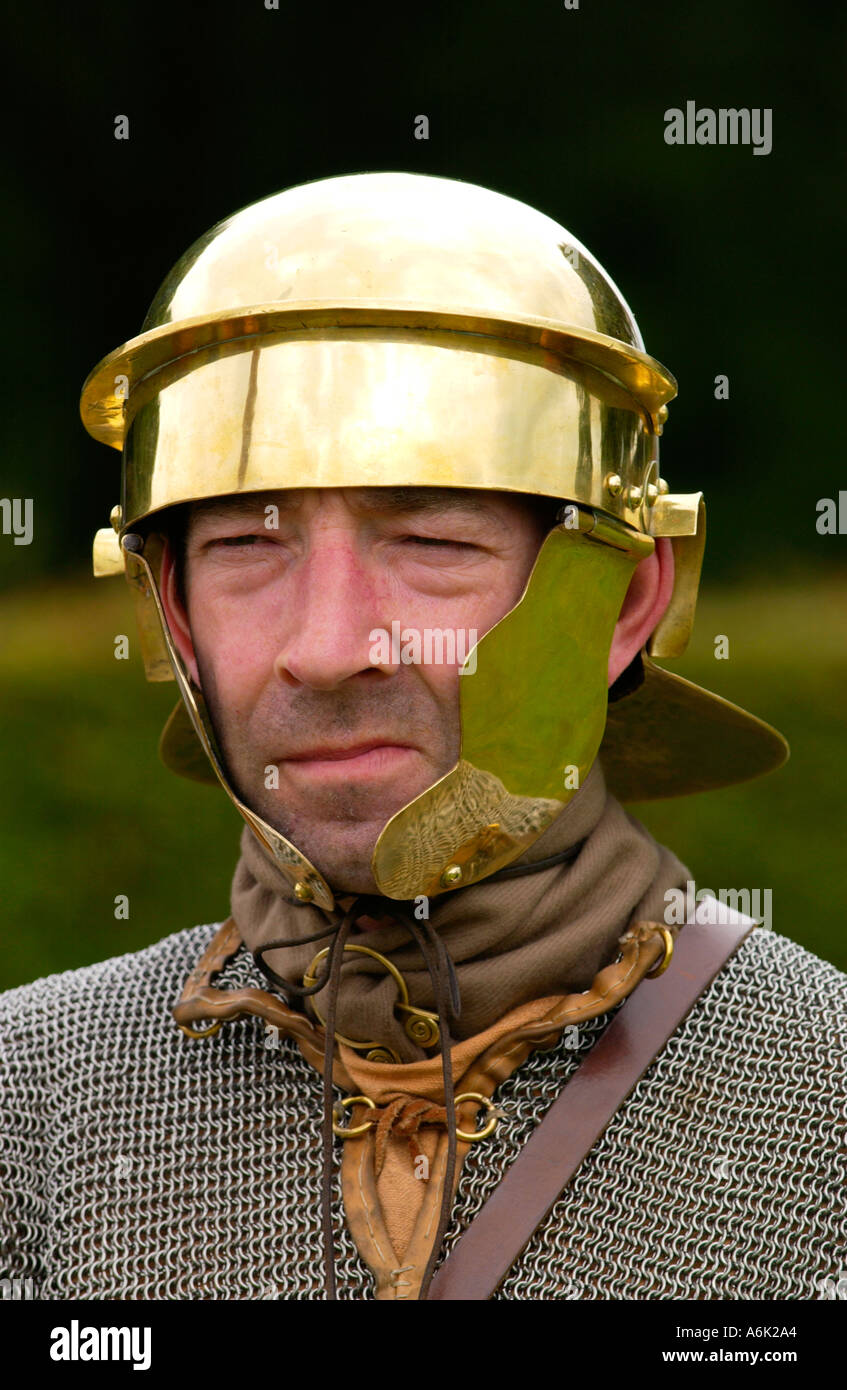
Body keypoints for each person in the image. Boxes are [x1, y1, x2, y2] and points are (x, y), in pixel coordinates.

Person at [1, 173, 843, 1303]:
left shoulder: (824, 1100)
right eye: (250, 549)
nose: (332, 644)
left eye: (430, 540)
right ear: (170, 612)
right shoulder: (34, 1106)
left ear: (624, 602)